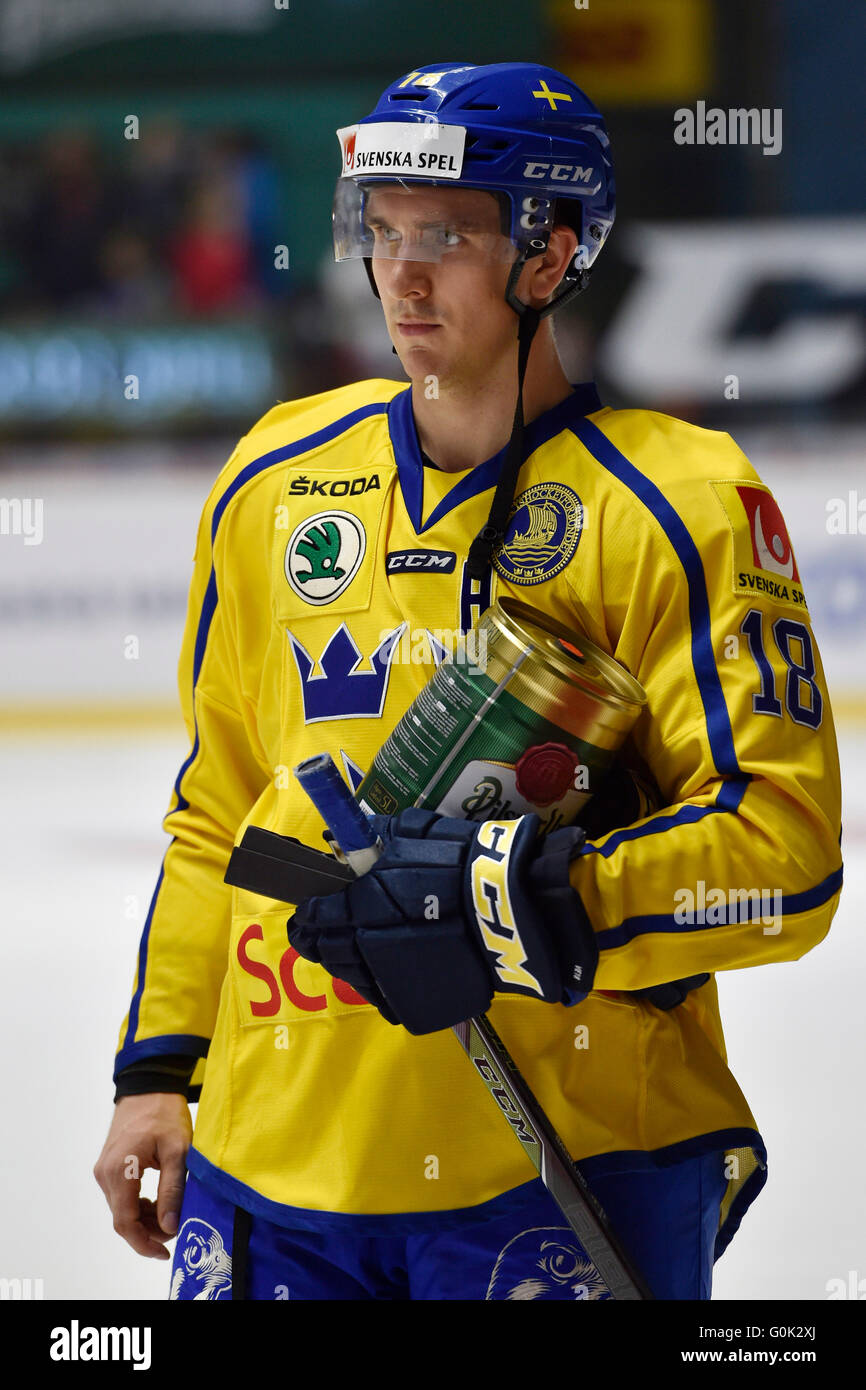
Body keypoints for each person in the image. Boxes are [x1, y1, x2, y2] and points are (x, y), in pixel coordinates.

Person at [94, 62, 842, 1301]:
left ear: (548, 258)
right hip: (270, 1165)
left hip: (557, 1170)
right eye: (378, 233)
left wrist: (533, 902)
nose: (400, 273)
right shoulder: (275, 478)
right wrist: (157, 1070)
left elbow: (783, 860)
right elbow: (220, 808)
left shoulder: (681, 503)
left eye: (441, 236)